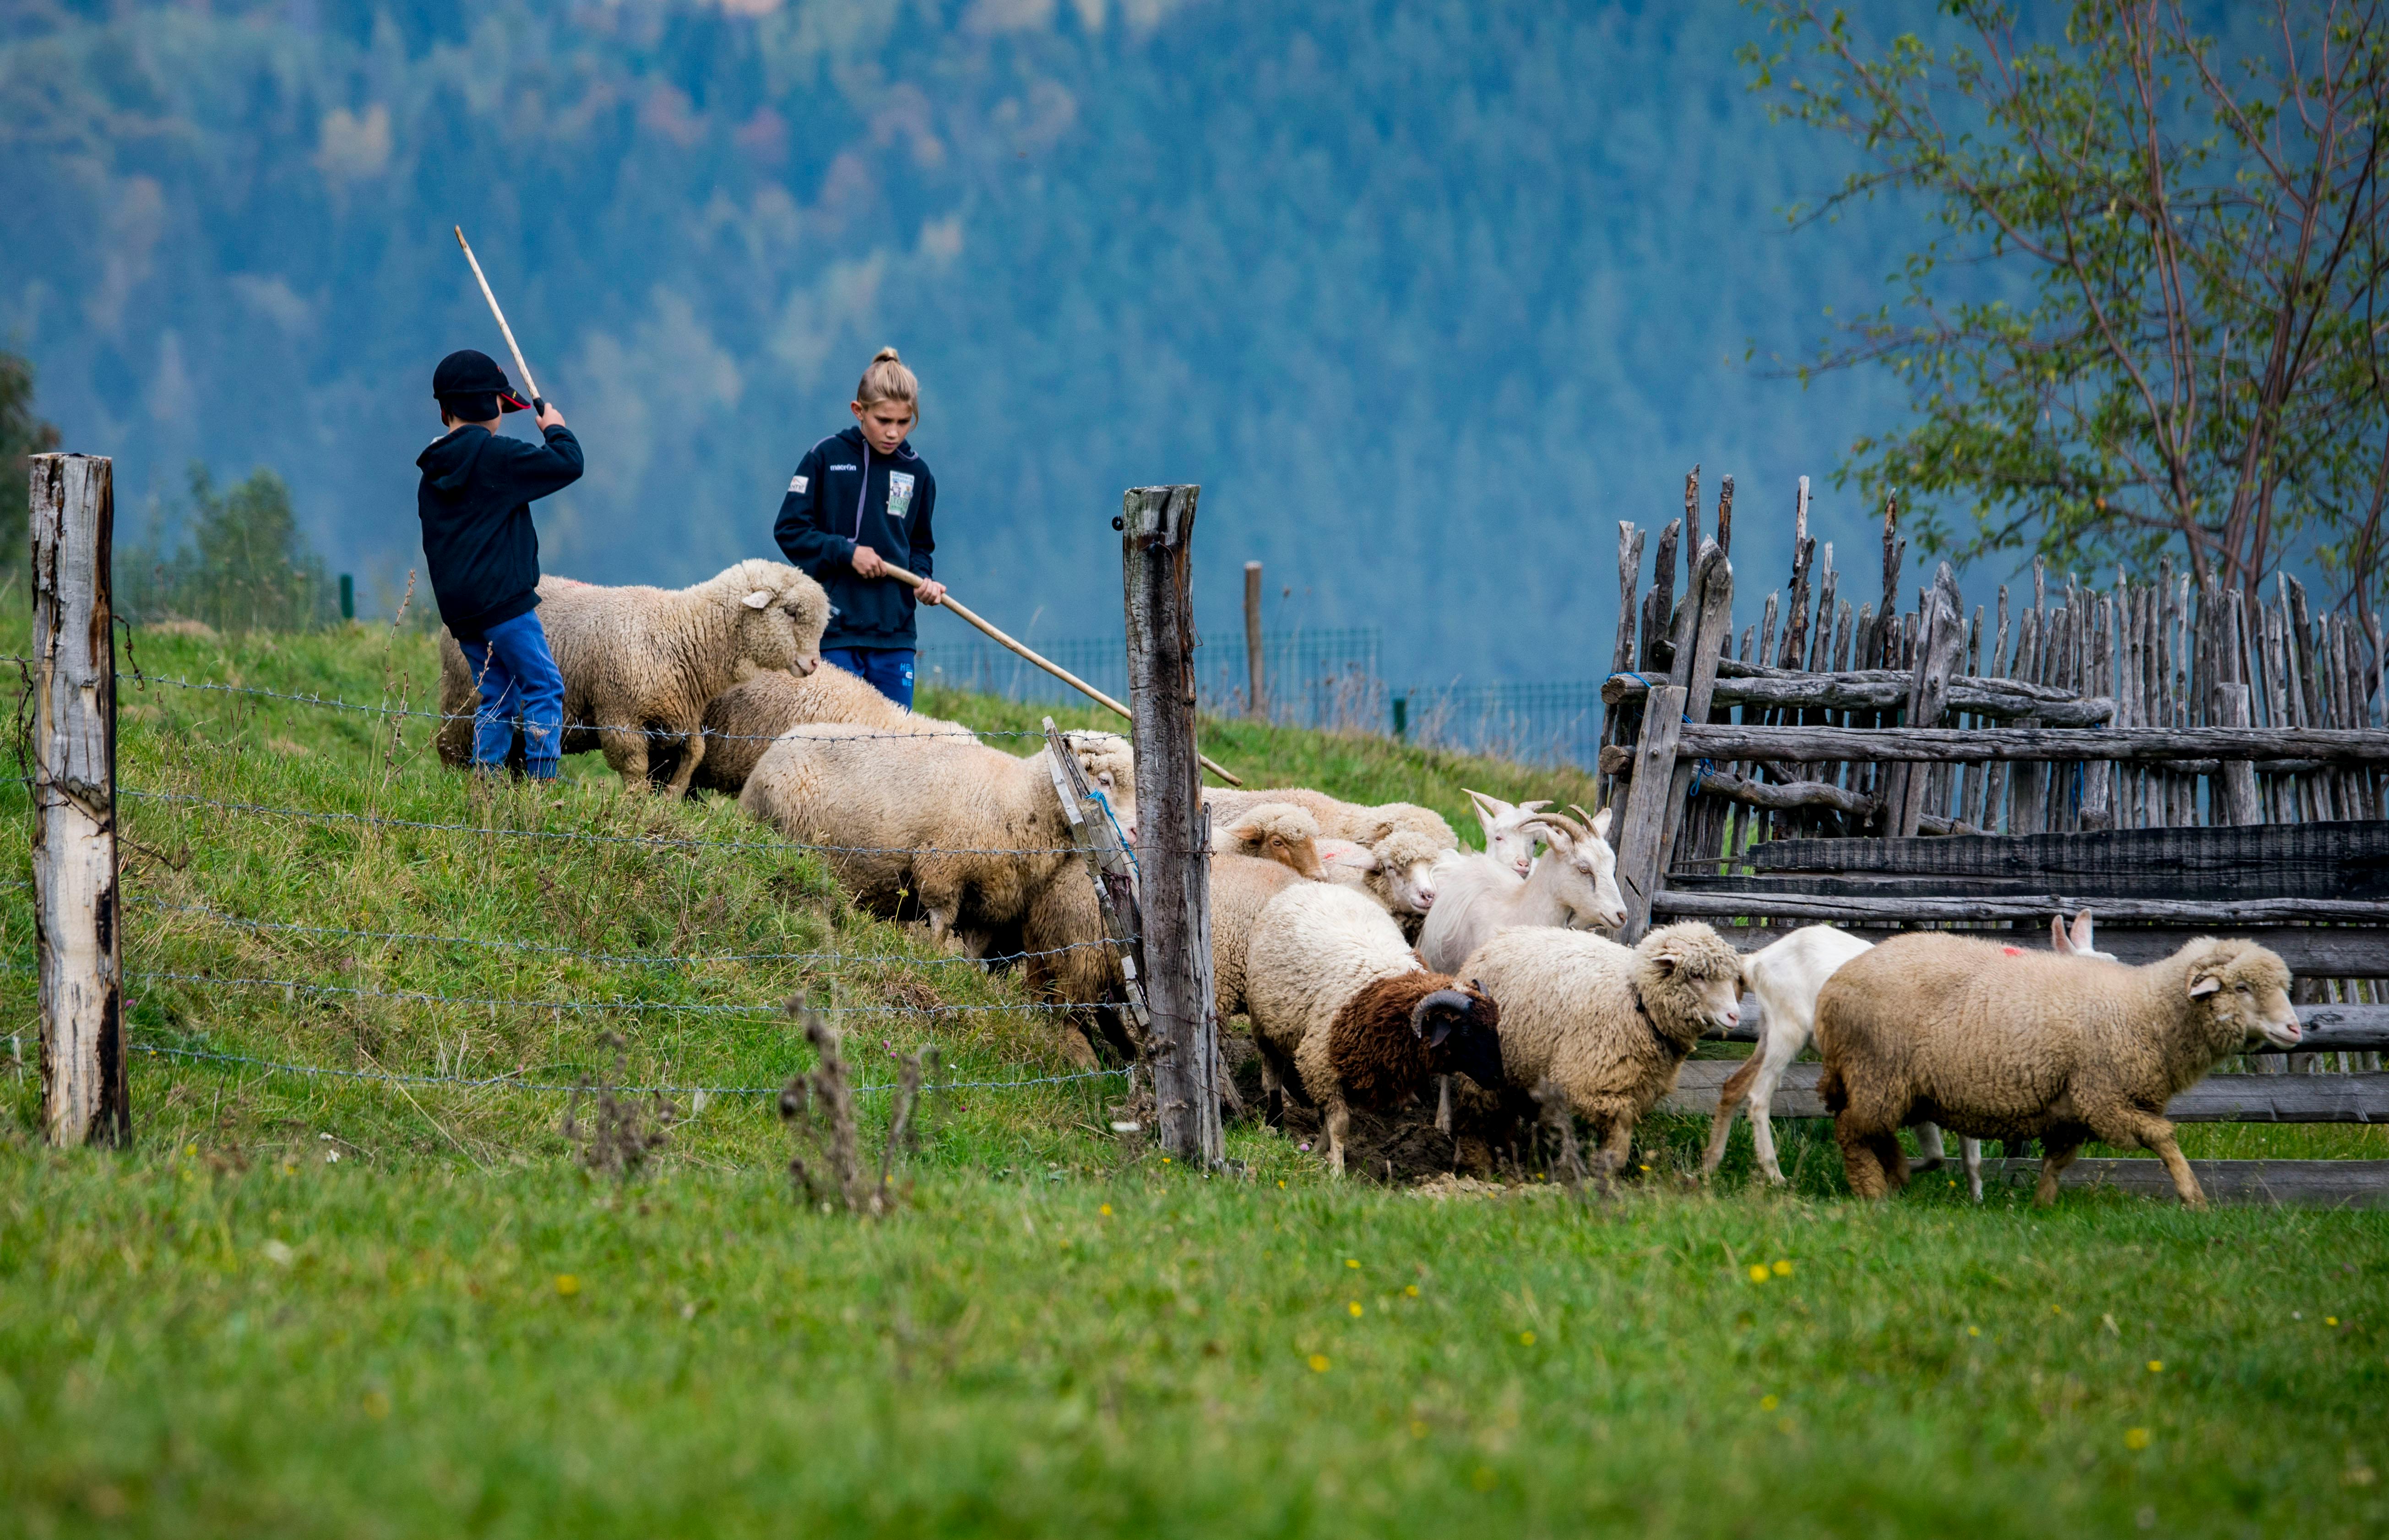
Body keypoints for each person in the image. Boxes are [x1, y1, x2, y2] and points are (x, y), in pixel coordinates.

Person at [414, 348, 581, 779]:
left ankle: (486, 782)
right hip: (506, 604)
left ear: (445, 410)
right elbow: (568, 465)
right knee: (544, 685)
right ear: (491, 406)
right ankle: (545, 787)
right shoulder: (499, 458)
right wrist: (556, 429)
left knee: (496, 694)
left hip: (461, 613)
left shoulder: (432, 472)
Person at [773, 346, 945, 708]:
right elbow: (789, 530)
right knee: (837, 743)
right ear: (859, 411)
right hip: (834, 634)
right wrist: (846, 553)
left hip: (895, 637)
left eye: (904, 422)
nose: (893, 433)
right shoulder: (825, 458)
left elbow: (920, 546)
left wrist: (923, 581)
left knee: (893, 747)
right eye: (884, 421)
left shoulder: (919, 473)